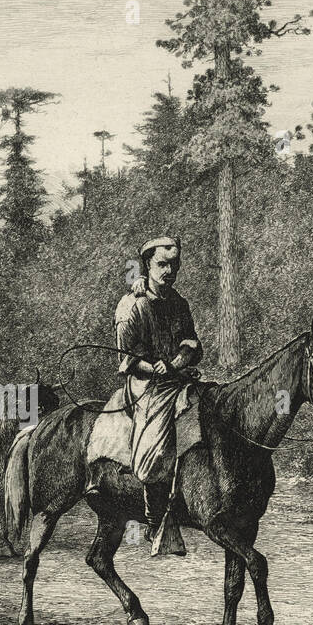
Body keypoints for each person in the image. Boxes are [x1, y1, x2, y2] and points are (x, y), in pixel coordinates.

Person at [102, 236, 199, 557]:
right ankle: (155, 520)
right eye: (162, 264)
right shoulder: (132, 305)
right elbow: (125, 356)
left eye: (174, 265)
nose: (169, 271)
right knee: (157, 438)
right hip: (146, 385)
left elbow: (192, 343)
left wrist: (177, 362)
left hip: (178, 377)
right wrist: (153, 368)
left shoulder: (180, 303)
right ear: (147, 265)